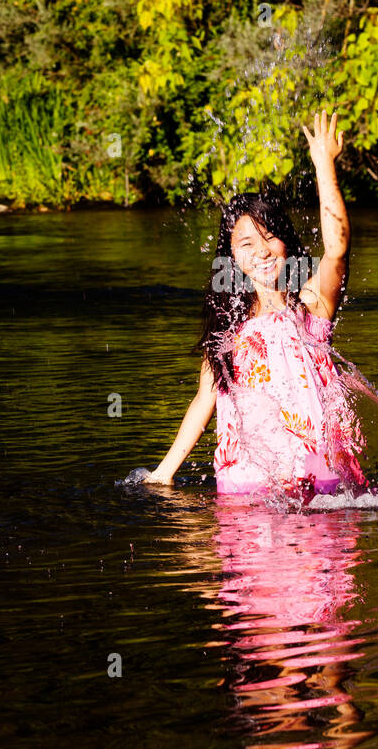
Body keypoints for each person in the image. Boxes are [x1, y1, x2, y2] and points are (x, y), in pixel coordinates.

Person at [145, 110, 366, 499]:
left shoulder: (311, 304)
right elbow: (204, 400)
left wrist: (323, 165)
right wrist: (164, 473)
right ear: (231, 257)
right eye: (246, 243)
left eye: (270, 238)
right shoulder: (229, 325)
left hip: (320, 479)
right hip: (247, 484)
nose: (262, 252)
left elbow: (337, 247)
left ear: (287, 243)